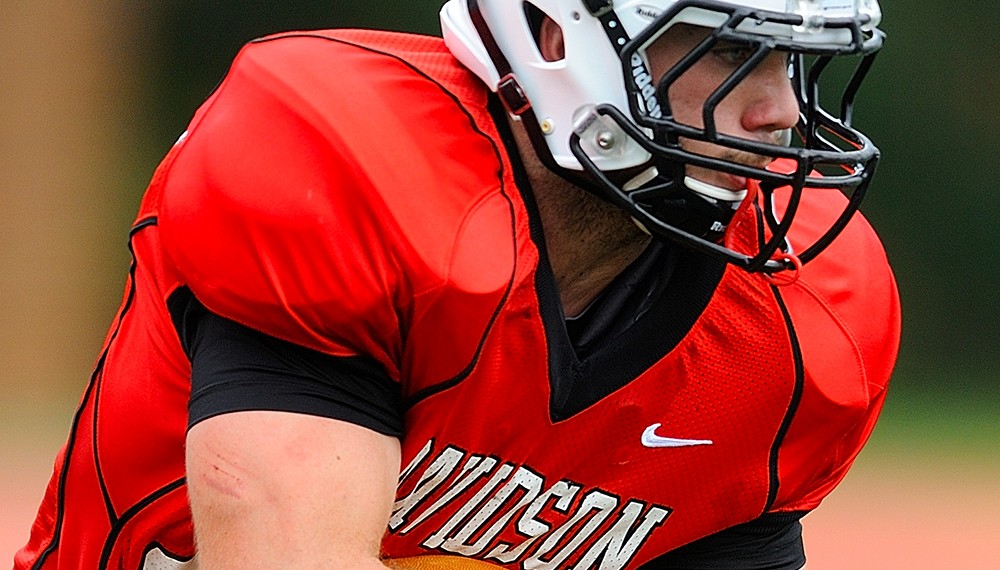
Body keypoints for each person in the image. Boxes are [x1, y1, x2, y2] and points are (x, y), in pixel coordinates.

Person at [16, 0, 900, 568]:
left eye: (791, 62)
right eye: (731, 52)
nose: (780, 112)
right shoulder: (351, 164)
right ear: (559, 37)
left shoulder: (805, 315)